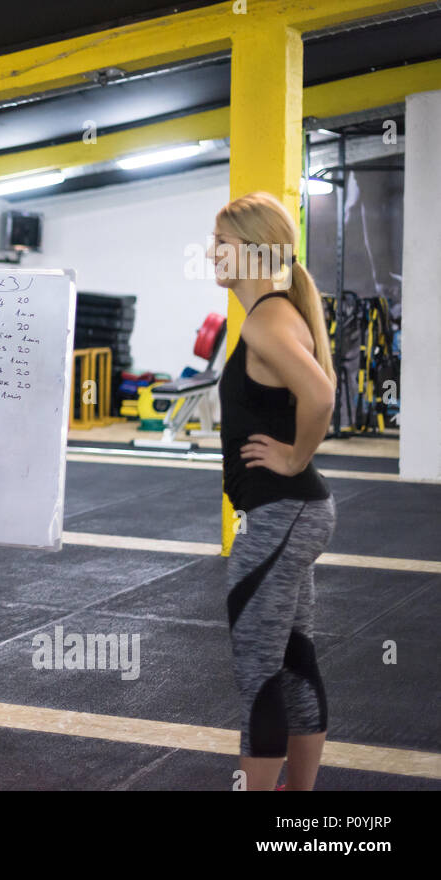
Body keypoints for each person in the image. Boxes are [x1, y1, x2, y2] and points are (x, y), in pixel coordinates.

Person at [211, 191, 337, 792]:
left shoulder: (267, 319)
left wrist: (294, 455)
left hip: (281, 514)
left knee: (259, 671)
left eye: (222, 243)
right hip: (295, 513)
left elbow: (320, 396)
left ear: (257, 252)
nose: (211, 253)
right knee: (291, 660)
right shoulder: (276, 311)